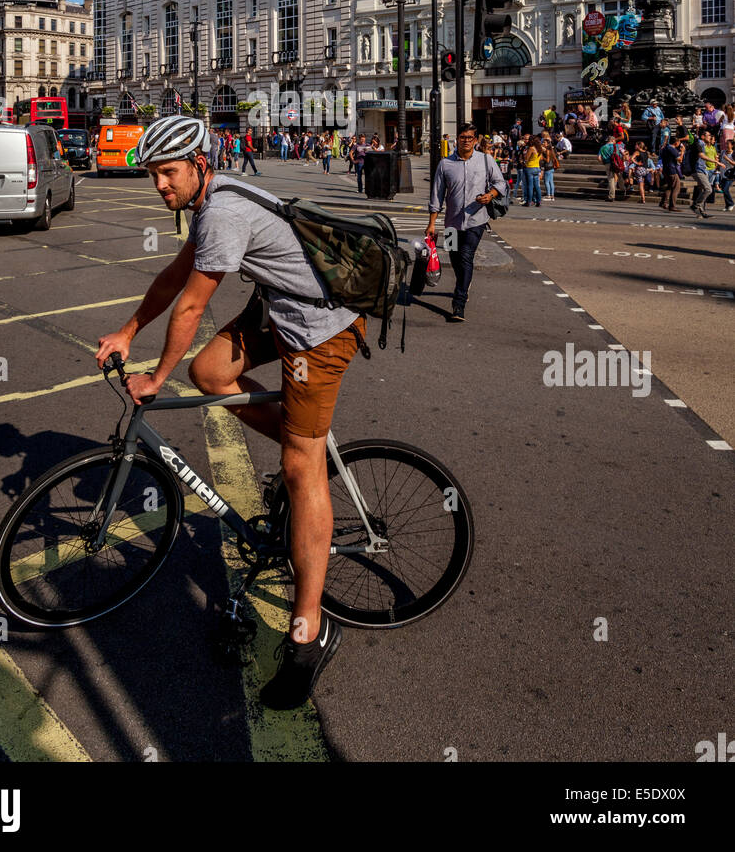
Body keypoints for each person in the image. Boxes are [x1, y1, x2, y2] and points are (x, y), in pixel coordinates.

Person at [96, 115, 366, 708]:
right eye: (153, 175)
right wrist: (126, 329)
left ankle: (309, 633)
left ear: (198, 164)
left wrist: (154, 376)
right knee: (212, 373)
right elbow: (172, 277)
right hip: (279, 311)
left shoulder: (221, 211)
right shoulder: (208, 202)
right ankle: (305, 445)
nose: (159, 185)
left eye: (167, 172)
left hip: (319, 329)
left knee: (300, 468)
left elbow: (192, 307)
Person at [424, 122, 507, 322]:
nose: (466, 141)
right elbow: (437, 195)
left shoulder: (486, 160)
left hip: (476, 221)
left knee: (466, 256)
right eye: (463, 137)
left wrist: (490, 195)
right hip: (452, 222)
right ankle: (464, 283)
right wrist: (431, 223)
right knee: (454, 257)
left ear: (476, 140)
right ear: (457, 139)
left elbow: (500, 183)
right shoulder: (445, 164)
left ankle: (458, 303)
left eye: (470, 137)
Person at [658, 133, 685, 211]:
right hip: (671, 170)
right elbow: (680, 160)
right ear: (676, 143)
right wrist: (682, 152)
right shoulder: (672, 149)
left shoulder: (665, 148)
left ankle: (663, 202)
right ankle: (672, 205)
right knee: (676, 187)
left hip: (665, 169)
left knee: (670, 186)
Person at [598, 134, 627, 201]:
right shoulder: (617, 146)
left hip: (607, 163)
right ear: (612, 140)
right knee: (620, 176)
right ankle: (623, 190)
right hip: (617, 163)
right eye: (615, 140)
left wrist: (603, 163)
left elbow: (599, 158)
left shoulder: (602, 147)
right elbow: (624, 154)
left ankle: (611, 196)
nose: (615, 142)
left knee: (611, 179)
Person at [524, 136, 543, 207]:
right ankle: (539, 201)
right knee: (537, 186)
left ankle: (529, 201)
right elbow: (541, 158)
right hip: (537, 167)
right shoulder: (540, 148)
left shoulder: (531, 148)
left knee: (530, 186)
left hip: (530, 167)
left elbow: (526, 158)